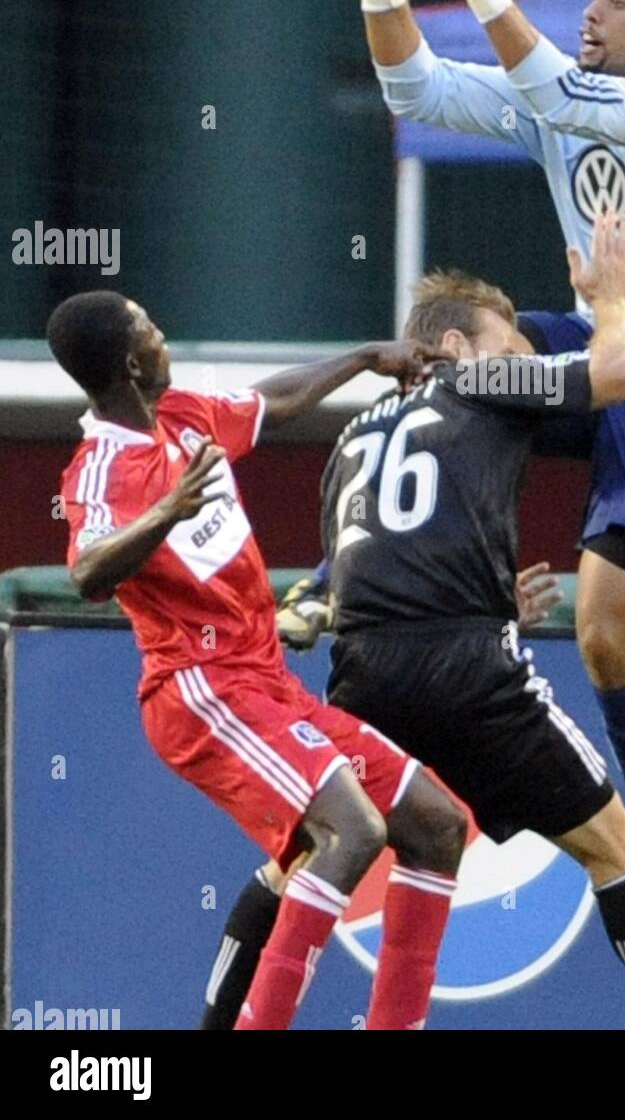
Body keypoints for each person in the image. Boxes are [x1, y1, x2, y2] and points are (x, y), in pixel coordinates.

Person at [298, 0, 625, 924]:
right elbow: (414, 86)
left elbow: (562, 87)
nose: (593, 12)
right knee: (452, 357)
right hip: (595, 328)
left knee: (604, 629)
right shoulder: (556, 92)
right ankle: (333, 575)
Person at [206, 214, 625, 1029]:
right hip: (469, 673)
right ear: (454, 349)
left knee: (301, 857)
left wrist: (481, 588)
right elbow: (617, 372)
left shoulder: (350, 437)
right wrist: (612, 296)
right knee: (617, 843)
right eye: (510, 344)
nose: (525, 360)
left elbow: (375, 561)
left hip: (365, 673)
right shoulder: (479, 382)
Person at [48, 291, 467, 1031]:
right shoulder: (99, 467)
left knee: (435, 825)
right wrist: (165, 512)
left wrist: (370, 357)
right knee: (353, 833)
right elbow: (88, 572)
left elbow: (277, 399)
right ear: (129, 361)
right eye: (150, 327)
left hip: (266, 683)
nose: (163, 332)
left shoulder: (182, 415)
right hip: (200, 690)